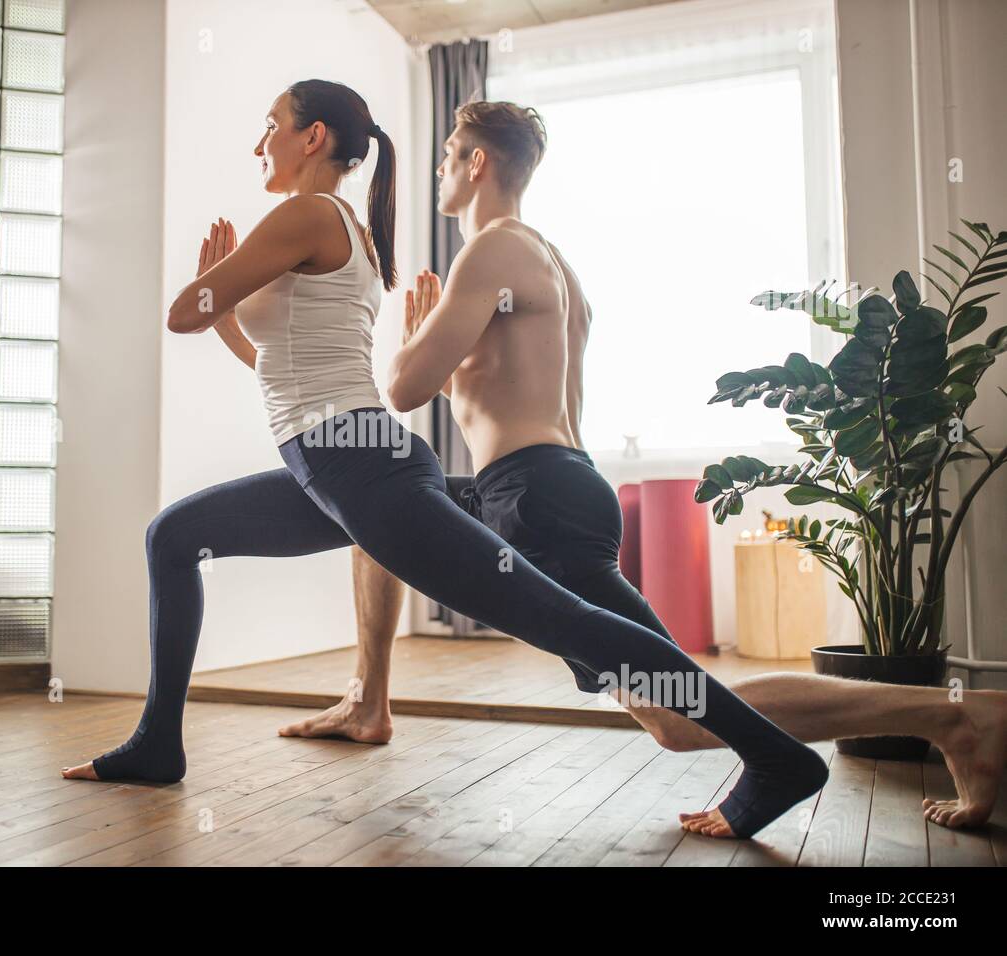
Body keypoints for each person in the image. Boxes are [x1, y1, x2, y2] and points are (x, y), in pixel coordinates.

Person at [62, 79, 830, 840]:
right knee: (172, 536)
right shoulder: (345, 230)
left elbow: (180, 314)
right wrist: (226, 304)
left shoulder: (305, 214)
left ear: (313, 137)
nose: (258, 142)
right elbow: (269, 363)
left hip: (356, 465)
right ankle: (159, 744)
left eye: (270, 125)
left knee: (567, 620)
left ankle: (774, 758)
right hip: (328, 464)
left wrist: (210, 285)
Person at [277, 100, 1007, 835]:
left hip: (534, 497)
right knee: (387, 509)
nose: (439, 168)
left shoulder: (492, 251)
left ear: (478, 163)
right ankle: (369, 698)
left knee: (675, 713)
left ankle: (952, 717)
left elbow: (405, 387)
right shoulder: (555, 266)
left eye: (448, 153)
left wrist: (414, 335)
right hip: (545, 486)